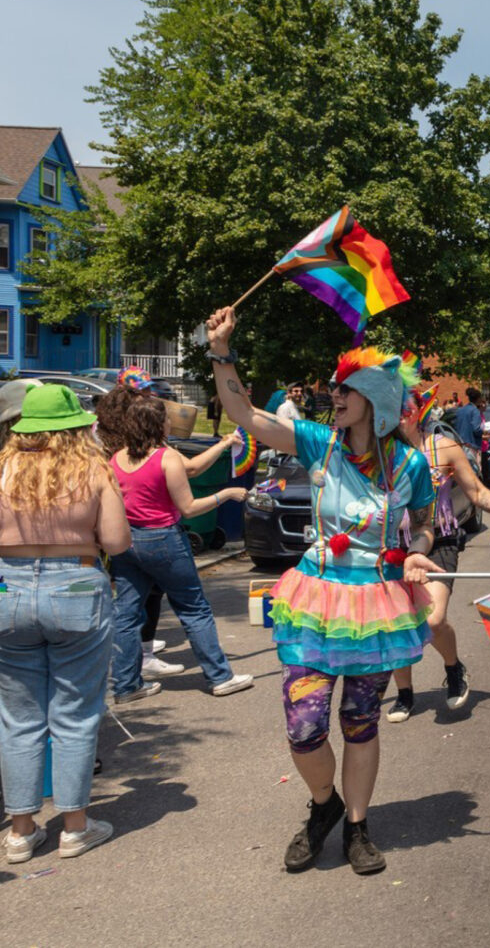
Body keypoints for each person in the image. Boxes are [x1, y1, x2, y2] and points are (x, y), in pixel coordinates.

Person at [203, 306, 441, 876]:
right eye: (334, 387)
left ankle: (357, 825)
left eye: (345, 388)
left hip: (377, 603)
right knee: (304, 724)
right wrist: (221, 351)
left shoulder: (409, 464)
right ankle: (323, 805)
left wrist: (417, 549)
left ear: (375, 400)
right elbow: (243, 413)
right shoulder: (318, 443)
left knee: (361, 721)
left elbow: (427, 522)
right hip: (317, 597)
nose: (333, 395)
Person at [0, 385, 132, 862]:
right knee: (75, 713)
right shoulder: (94, 469)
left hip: (8, 589)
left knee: (17, 717)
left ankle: (20, 832)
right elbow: (116, 542)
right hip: (76, 584)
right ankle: (75, 827)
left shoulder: (2, 468)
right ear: (75, 425)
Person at [93, 388, 249, 690]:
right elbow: (188, 507)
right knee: (194, 609)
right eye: (165, 419)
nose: (169, 423)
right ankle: (220, 677)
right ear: (157, 424)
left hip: (128, 542)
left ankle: (125, 685)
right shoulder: (166, 458)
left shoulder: (116, 458)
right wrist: (226, 494)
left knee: (127, 613)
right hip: (164, 541)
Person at [386, 390, 490, 723]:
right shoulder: (381, 453)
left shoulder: (443, 448)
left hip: (439, 542)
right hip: (392, 547)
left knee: (433, 619)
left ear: (421, 410)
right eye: (394, 408)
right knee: (396, 623)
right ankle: (405, 693)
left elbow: (475, 490)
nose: (401, 414)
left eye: (407, 408)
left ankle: (453, 668)